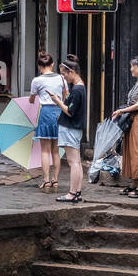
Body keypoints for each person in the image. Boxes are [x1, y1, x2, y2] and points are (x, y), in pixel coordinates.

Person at [49, 54, 87, 203]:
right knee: (76, 161)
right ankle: (77, 191)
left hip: (70, 128)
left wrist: (57, 101)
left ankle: (72, 193)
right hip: (75, 128)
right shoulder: (80, 87)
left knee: (73, 162)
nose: (64, 78)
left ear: (71, 72)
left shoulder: (77, 90)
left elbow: (70, 111)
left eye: (65, 74)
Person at [112, 55, 138, 199]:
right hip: (132, 120)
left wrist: (121, 110)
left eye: (132, 66)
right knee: (130, 151)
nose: (130, 69)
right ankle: (134, 183)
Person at [29, 51, 66, 189]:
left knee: (45, 150)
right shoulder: (61, 78)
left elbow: (32, 98)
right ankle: (55, 180)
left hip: (45, 113)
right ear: (52, 64)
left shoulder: (37, 80)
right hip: (59, 112)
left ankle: (46, 180)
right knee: (56, 150)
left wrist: (32, 98)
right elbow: (65, 94)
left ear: (40, 66)